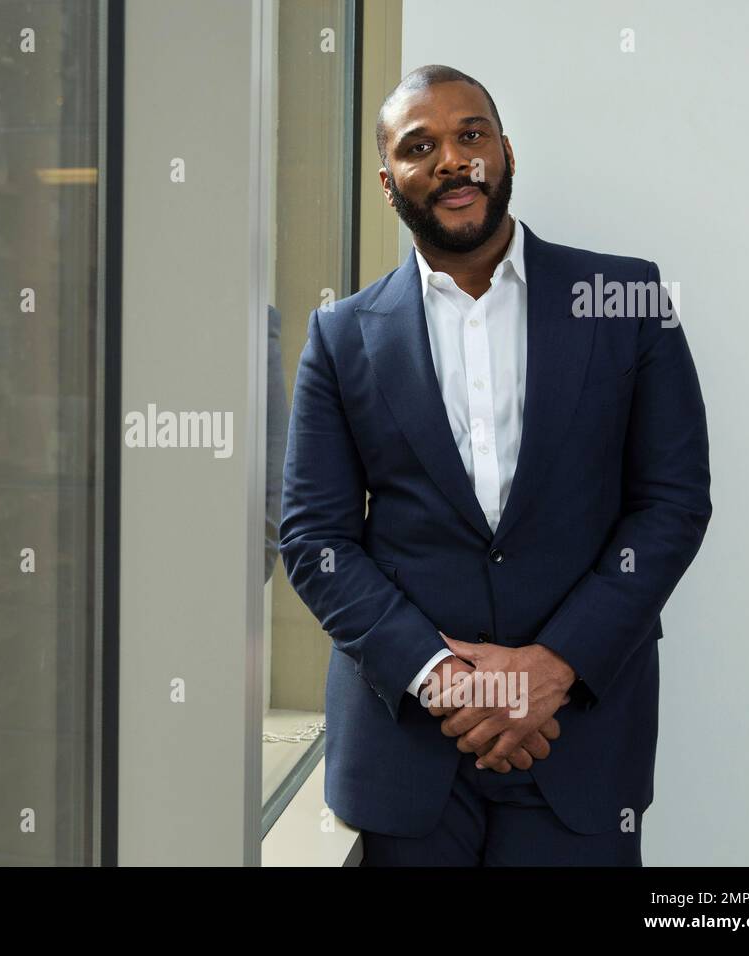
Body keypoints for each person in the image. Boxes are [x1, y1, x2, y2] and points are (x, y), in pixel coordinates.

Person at [279, 65, 711, 865]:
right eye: (420, 146)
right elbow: (313, 539)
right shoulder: (342, 337)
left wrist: (554, 668)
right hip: (405, 749)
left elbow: (673, 502)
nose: (451, 159)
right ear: (388, 182)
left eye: (471, 134)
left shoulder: (626, 299)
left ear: (505, 153)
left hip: (576, 735)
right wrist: (446, 681)